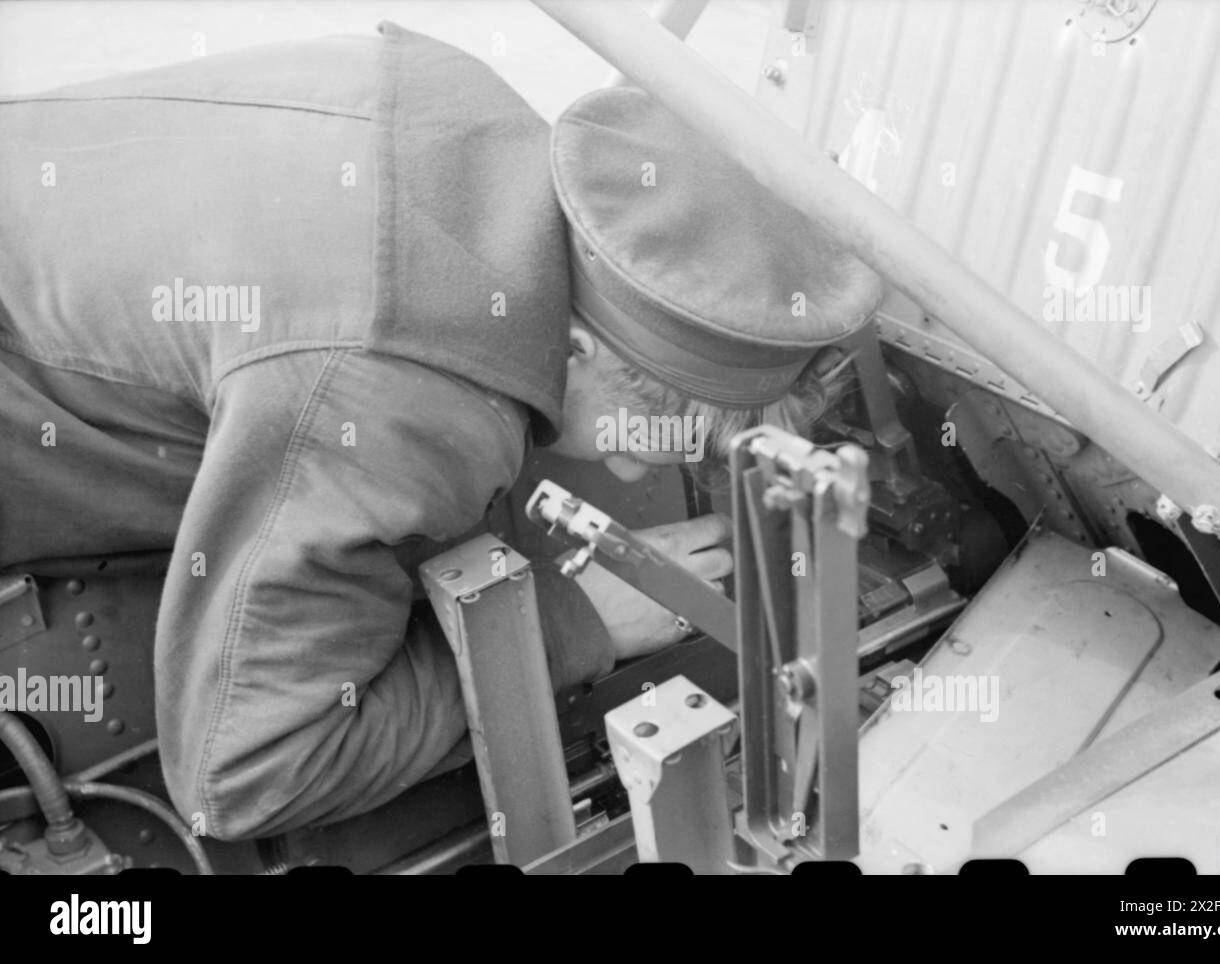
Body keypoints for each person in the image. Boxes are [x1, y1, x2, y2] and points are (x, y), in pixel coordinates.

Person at [0, 22, 880, 840]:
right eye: (638, 438)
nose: (620, 465)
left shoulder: (460, 107)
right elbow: (241, 776)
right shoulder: (390, 393)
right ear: (575, 348)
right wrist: (577, 626)